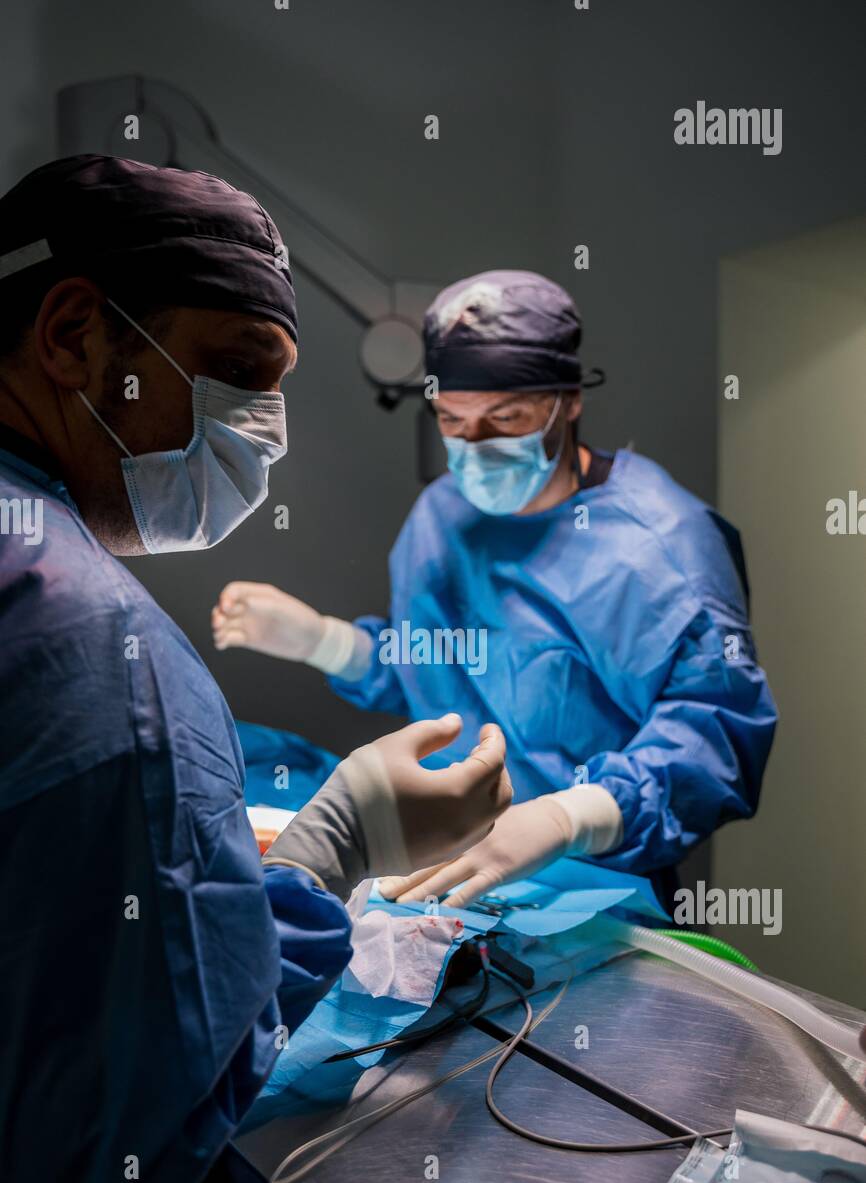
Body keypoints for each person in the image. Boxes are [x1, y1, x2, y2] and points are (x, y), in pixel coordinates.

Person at [0, 157, 511, 1183]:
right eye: (235, 372)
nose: (265, 439)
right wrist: (335, 841)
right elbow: (100, 1154)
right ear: (76, 333)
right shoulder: (87, 644)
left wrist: (591, 804)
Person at [212, 269, 777, 910]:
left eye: (506, 418)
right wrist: (327, 642)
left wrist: (568, 819)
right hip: (442, 856)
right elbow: (439, 665)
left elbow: (714, 736)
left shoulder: (662, 548)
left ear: (569, 400)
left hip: (591, 881)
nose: (476, 448)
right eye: (453, 420)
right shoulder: (443, 514)